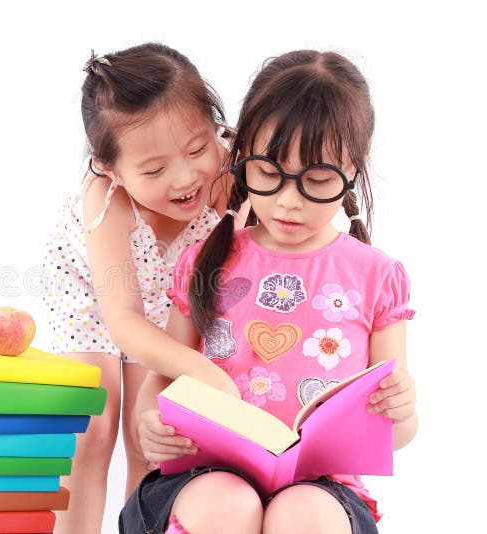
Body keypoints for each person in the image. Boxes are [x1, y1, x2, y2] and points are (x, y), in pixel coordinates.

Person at [119, 50, 418, 534]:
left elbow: (394, 432)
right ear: (240, 161)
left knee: (306, 514)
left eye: (317, 180)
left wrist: (401, 410)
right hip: (202, 477)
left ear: (350, 176)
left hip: (323, 485)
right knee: (228, 504)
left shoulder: (377, 275)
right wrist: (150, 422)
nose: (287, 200)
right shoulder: (206, 261)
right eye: (268, 173)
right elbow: (160, 380)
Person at [41, 43, 247, 534]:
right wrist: (201, 370)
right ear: (109, 168)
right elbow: (124, 321)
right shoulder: (106, 198)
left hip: (174, 294)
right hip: (97, 294)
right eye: (153, 170)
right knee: (90, 424)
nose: (184, 177)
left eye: (197, 149)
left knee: (149, 432)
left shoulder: (227, 173)